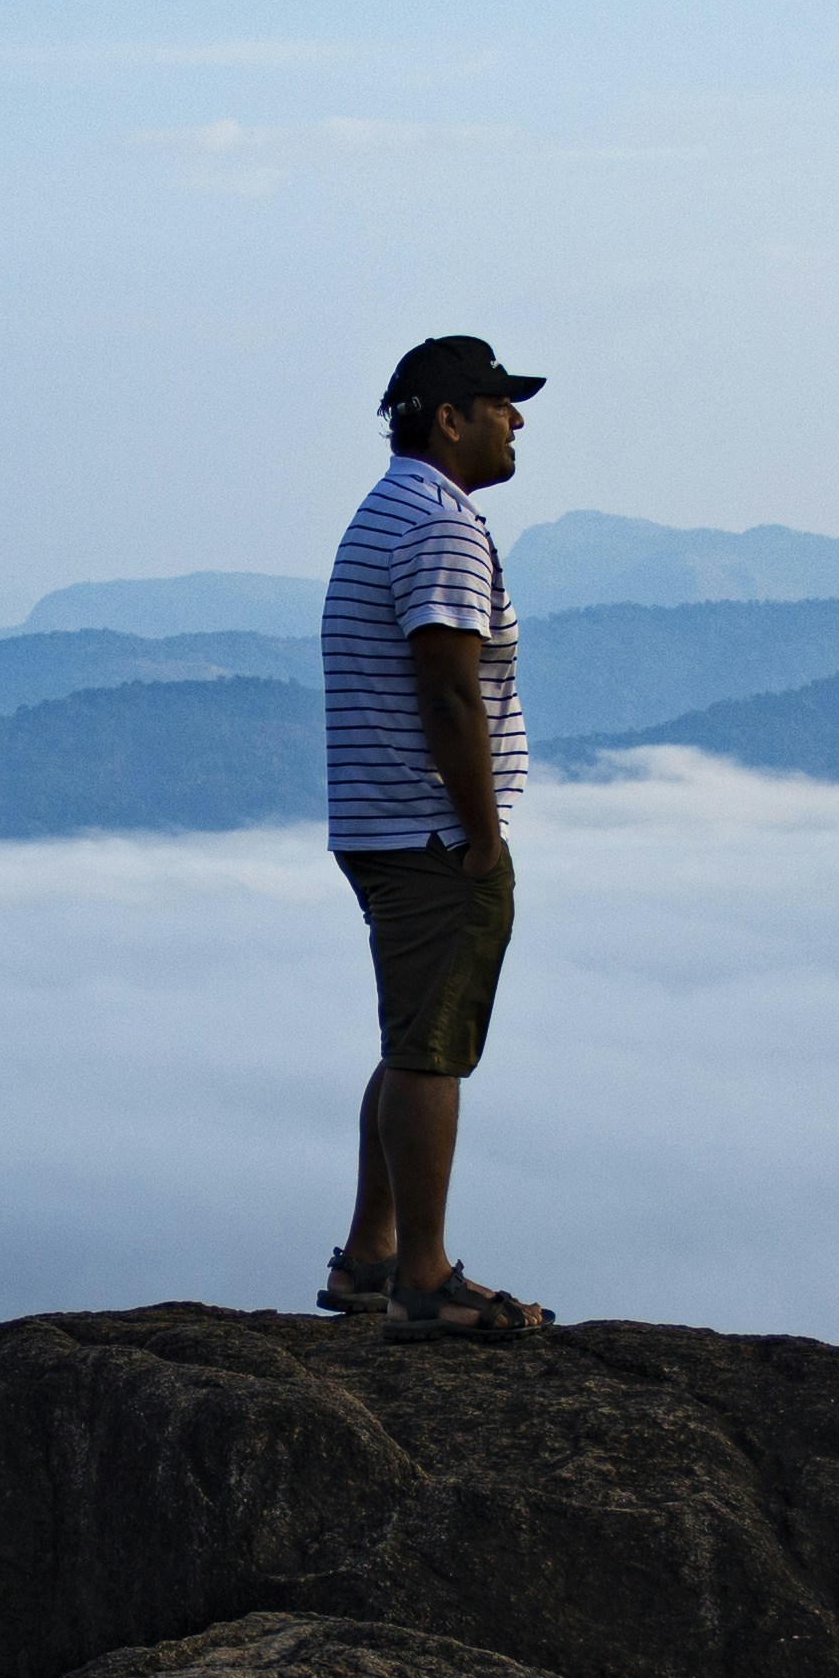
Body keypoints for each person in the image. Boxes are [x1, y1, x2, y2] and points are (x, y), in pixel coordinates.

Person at [320, 333, 551, 1338]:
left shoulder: (392, 510)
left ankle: (371, 1256)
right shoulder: (442, 525)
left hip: (382, 820)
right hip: (428, 830)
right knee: (431, 1053)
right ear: (448, 418)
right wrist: (482, 833)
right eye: (499, 402)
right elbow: (451, 693)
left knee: (410, 1036)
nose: (518, 419)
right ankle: (423, 1278)